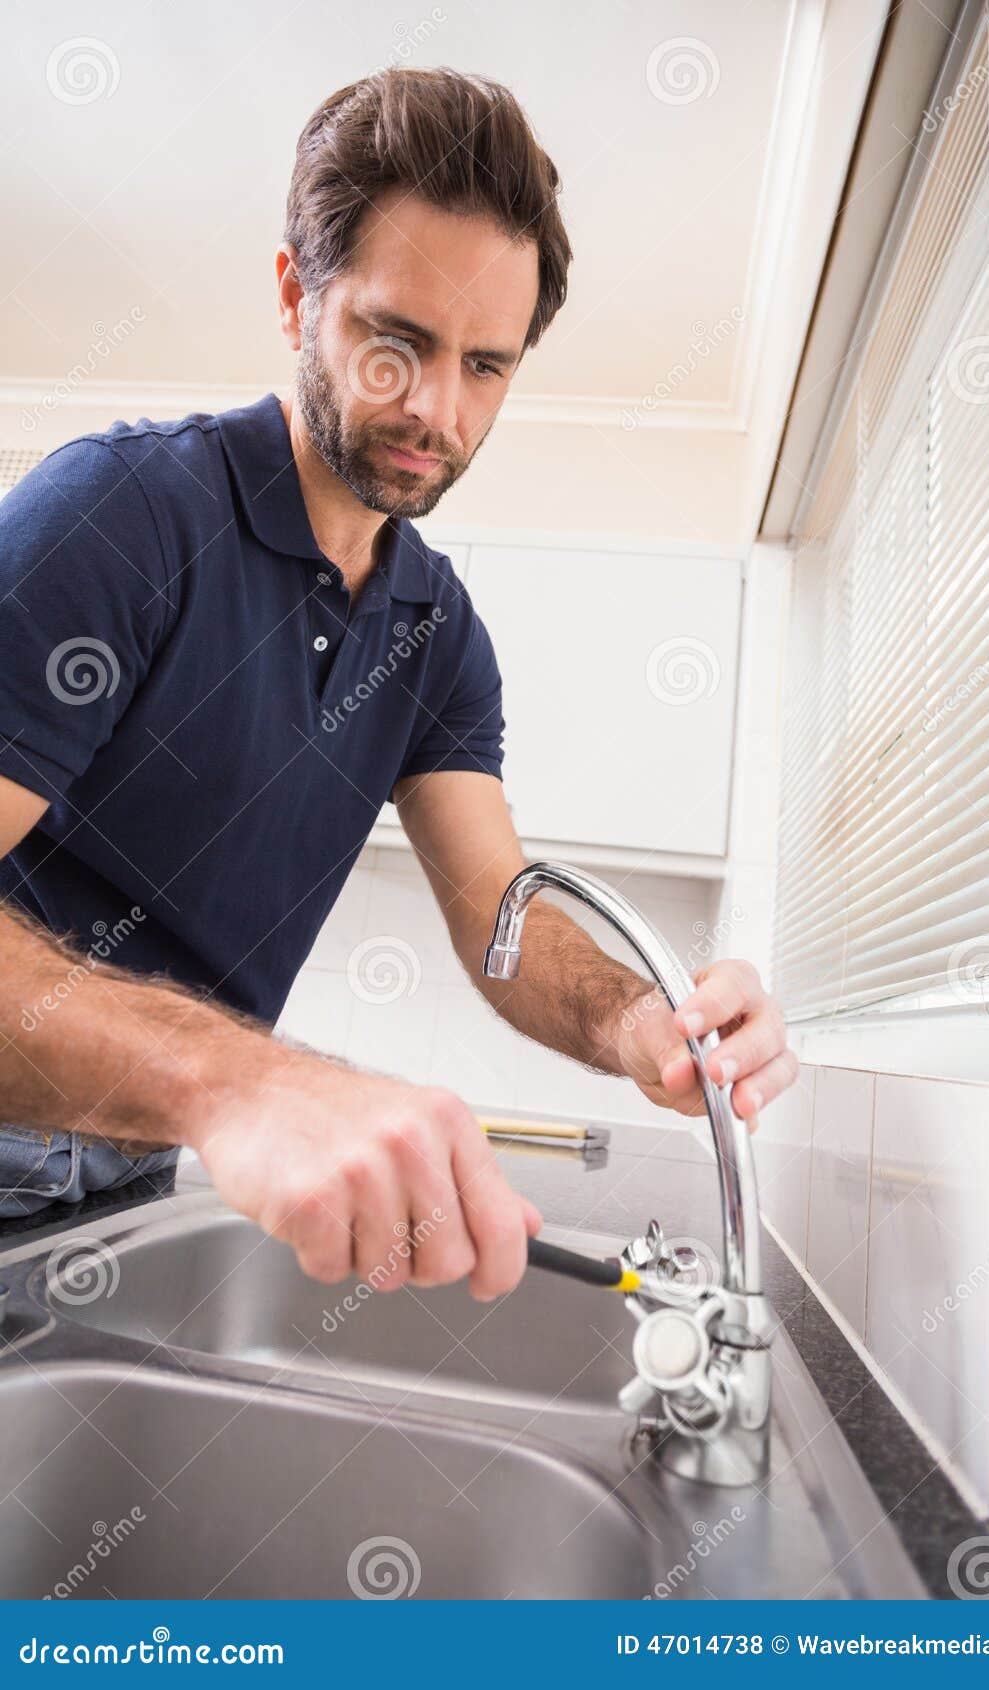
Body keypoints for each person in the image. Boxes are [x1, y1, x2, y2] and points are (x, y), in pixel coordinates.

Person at [0, 68, 795, 1294]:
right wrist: (242, 1082)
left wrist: (643, 1020)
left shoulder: (437, 633)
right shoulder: (123, 515)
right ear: (292, 297)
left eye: (486, 365)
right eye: (396, 344)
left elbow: (502, 924)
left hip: (128, 1183)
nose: (436, 409)